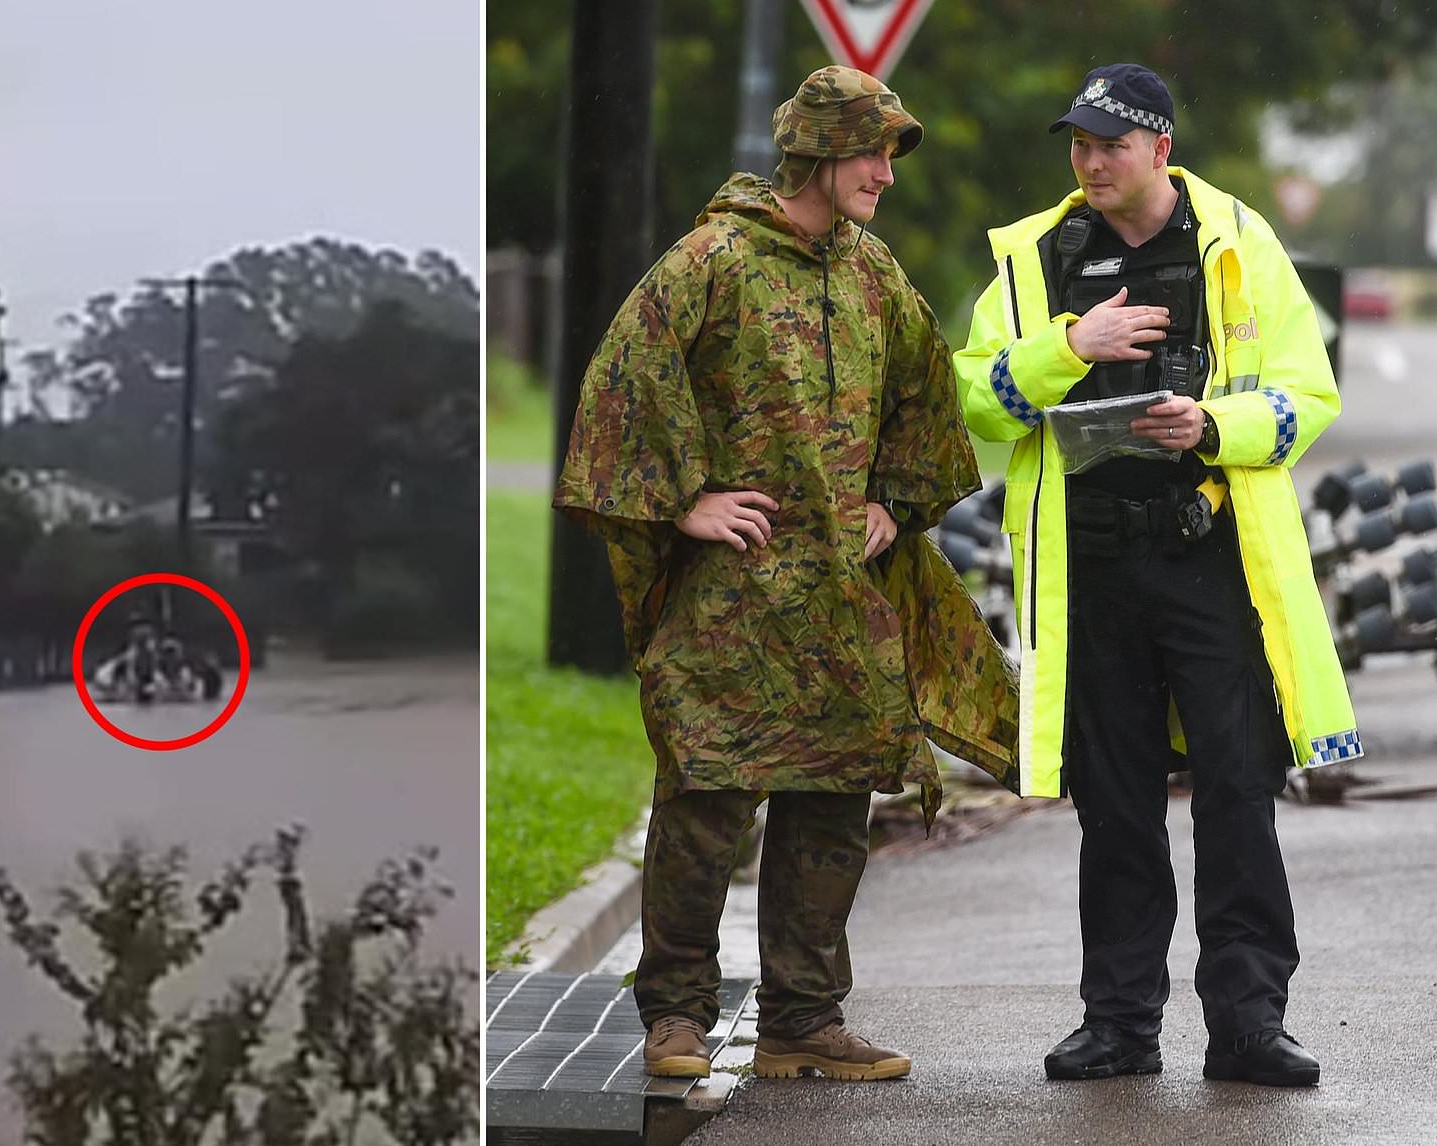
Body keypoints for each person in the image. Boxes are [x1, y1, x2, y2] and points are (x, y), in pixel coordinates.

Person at [554, 66, 1018, 1083]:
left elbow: (926, 399)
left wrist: (894, 503)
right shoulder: (711, 261)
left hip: (842, 607)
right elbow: (622, 381)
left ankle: (802, 1022)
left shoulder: (873, 274)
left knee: (832, 810)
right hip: (734, 601)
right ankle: (675, 1015)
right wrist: (684, 502)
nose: (885, 176)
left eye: (890, 155)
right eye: (871, 152)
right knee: (706, 803)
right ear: (816, 152)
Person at [954, 63, 1355, 1088]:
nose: (1089, 162)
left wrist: (1212, 425)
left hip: (1207, 553)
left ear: (1160, 150)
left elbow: (1309, 394)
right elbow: (976, 399)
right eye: (1078, 144)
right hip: (1089, 569)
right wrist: (1065, 348)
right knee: (1118, 804)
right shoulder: (1036, 257)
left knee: (1237, 789)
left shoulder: (1236, 242)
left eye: (1110, 145)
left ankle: (1250, 1023)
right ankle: (1120, 1023)